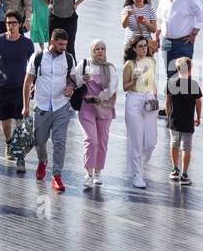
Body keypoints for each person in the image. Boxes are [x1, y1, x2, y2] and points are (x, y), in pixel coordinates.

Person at [23, 28, 81, 193]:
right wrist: (25, 106)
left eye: (65, 44)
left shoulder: (68, 59)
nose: (63, 47)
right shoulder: (38, 57)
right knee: (39, 141)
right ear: (52, 41)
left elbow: (73, 79)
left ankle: (57, 175)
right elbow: (27, 82)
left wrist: (71, 86)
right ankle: (42, 160)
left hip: (61, 106)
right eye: (60, 44)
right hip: (41, 105)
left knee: (59, 141)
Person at [0, 10, 34, 171]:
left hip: (21, 88)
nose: (11, 26)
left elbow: (32, 66)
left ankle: (20, 155)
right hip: (3, 86)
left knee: (20, 123)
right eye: (8, 23)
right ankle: (8, 144)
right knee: (6, 123)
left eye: (14, 23)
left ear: (20, 25)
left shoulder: (27, 44)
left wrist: (32, 85)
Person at [77, 39, 117, 188]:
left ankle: (98, 172)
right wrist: (82, 79)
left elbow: (112, 89)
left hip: (104, 108)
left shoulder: (110, 68)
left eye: (102, 49)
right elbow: (74, 80)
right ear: (92, 51)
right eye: (97, 49)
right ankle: (88, 173)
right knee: (91, 140)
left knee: (102, 141)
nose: (100, 51)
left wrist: (99, 98)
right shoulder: (84, 65)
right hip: (87, 107)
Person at [122, 35, 158, 190]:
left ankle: (137, 165)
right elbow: (125, 87)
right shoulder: (129, 64)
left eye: (145, 46)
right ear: (134, 49)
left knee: (150, 141)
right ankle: (137, 173)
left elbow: (153, 81)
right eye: (140, 46)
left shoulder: (152, 62)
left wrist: (155, 97)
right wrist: (134, 81)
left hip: (149, 100)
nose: (144, 49)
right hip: (134, 101)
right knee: (136, 139)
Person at [159, 0, 203, 79]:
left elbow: (201, 13)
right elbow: (159, 16)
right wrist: (156, 35)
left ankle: (185, 96)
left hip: (183, 43)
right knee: (169, 75)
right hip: (166, 42)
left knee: (184, 76)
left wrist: (194, 34)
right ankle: (171, 96)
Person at [164, 57, 203, 185]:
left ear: (177, 69)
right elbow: (198, 102)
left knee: (174, 143)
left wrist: (167, 113)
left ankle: (175, 170)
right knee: (186, 147)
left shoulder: (171, 83)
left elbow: (167, 99)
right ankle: (185, 174)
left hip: (174, 119)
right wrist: (198, 116)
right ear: (190, 69)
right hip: (188, 120)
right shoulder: (194, 85)